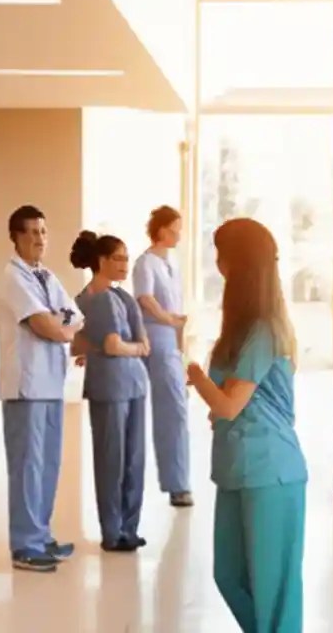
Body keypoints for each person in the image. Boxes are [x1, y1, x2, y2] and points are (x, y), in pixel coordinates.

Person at [186, 218, 306, 633]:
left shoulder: (263, 331)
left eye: (222, 257)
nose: (218, 265)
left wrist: (196, 376)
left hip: (270, 470)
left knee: (274, 590)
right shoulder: (238, 331)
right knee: (231, 576)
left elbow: (230, 404)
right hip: (237, 467)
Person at [0, 205, 83, 572]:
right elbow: (44, 324)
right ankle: (25, 545)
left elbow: (73, 316)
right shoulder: (12, 277)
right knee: (27, 466)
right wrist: (58, 326)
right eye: (30, 232)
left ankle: (42, 535)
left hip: (51, 383)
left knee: (48, 463)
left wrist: (57, 324)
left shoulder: (47, 276)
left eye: (43, 232)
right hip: (26, 385)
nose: (38, 239)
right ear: (15, 237)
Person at [71, 231, 151, 553]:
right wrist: (112, 347)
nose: (124, 264)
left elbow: (141, 346)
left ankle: (127, 529)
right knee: (111, 459)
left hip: (133, 384)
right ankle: (113, 530)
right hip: (109, 387)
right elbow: (76, 342)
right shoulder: (86, 300)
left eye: (126, 258)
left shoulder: (124, 298)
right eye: (118, 258)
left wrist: (115, 348)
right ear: (101, 261)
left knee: (132, 459)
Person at [133, 205, 193, 508]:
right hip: (156, 336)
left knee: (177, 407)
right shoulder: (146, 263)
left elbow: (176, 307)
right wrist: (168, 320)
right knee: (172, 408)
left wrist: (181, 340)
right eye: (175, 229)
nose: (178, 234)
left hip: (172, 339)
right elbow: (145, 299)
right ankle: (177, 484)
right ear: (160, 230)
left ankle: (178, 480)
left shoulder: (172, 265)